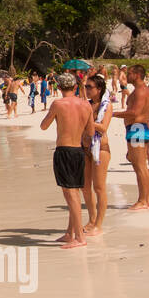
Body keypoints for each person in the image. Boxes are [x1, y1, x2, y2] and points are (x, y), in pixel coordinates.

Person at [40, 73, 92, 249]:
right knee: (74, 192)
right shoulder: (86, 105)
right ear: (76, 87)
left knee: (71, 195)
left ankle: (79, 237)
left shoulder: (58, 104)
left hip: (64, 150)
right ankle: (71, 233)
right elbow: (90, 132)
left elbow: (43, 125)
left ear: (59, 88)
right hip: (79, 150)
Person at [118, 64, 149, 209]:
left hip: (137, 128)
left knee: (140, 166)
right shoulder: (141, 90)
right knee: (138, 164)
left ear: (137, 75)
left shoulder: (141, 91)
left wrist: (113, 114)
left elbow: (135, 113)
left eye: (130, 73)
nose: (127, 75)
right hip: (137, 128)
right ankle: (145, 199)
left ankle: (143, 200)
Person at [81, 74, 113, 236]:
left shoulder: (106, 106)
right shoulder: (86, 105)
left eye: (89, 87)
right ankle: (92, 219)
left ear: (99, 89)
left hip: (101, 148)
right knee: (85, 187)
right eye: (85, 86)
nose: (86, 90)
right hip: (85, 148)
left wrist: (86, 122)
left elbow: (103, 127)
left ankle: (99, 224)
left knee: (99, 187)